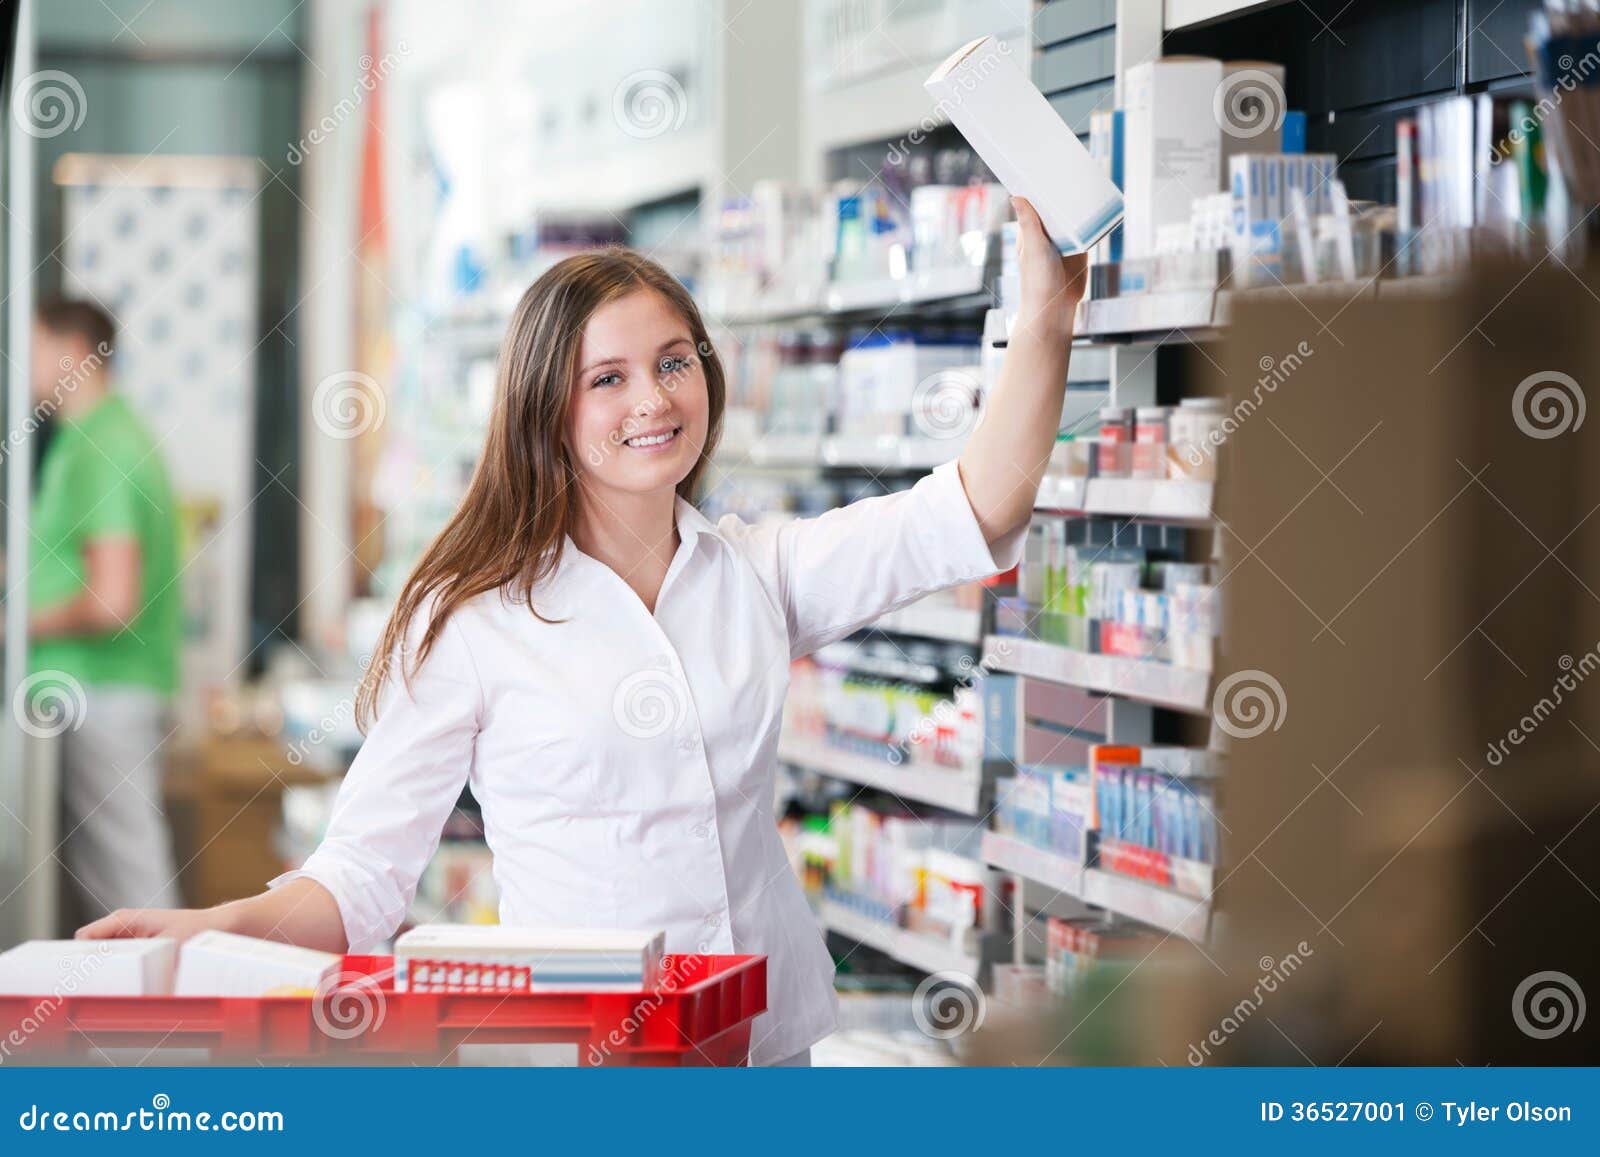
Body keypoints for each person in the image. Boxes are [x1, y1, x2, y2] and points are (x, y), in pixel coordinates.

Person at [79, 199, 1087, 1066]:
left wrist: (1048, 311)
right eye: (607, 378)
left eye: (673, 361)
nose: (652, 398)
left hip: (765, 1046)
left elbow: (976, 511)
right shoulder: (472, 617)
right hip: (584, 1056)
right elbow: (360, 878)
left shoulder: (758, 570)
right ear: (545, 407)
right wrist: (215, 924)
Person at [26, 298, 184, 918]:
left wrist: (16, 625)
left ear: (69, 353)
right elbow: (63, 559)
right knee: (112, 880)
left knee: (130, 881)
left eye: (33, 347)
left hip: (105, 691)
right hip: (95, 691)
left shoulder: (104, 445)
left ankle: (175, 1012)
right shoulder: (92, 438)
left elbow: (113, 600)